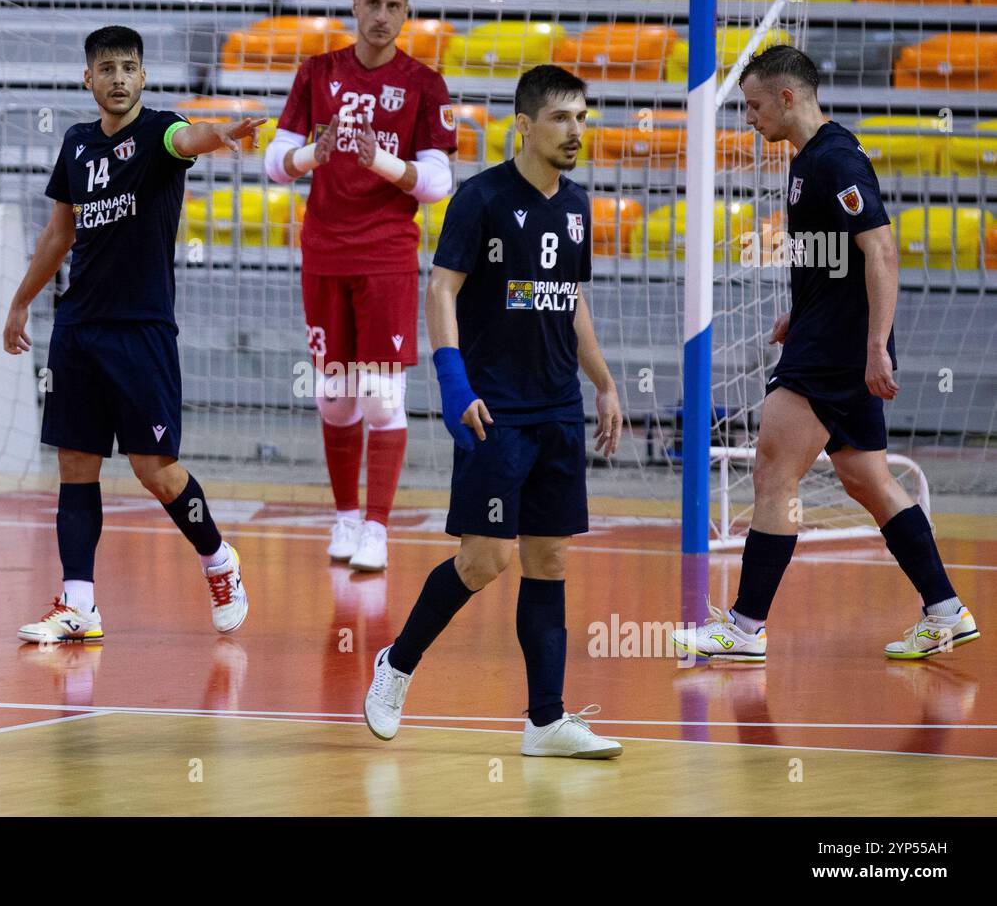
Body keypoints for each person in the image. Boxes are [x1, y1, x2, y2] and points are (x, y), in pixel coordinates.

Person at [672, 45, 980, 663]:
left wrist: (874, 347)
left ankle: (744, 626)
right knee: (867, 479)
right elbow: (836, 258)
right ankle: (946, 610)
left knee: (771, 470)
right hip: (828, 333)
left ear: (788, 98)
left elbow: (881, 252)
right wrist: (802, 308)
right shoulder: (809, 159)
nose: (749, 119)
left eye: (755, 106)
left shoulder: (836, 160)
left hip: (837, 349)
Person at [363, 66, 624, 759]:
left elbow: (570, 301)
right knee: (485, 560)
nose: (576, 132)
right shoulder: (479, 200)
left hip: (558, 408)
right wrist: (453, 383)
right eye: (563, 118)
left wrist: (602, 382)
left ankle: (546, 721)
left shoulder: (576, 206)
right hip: (494, 410)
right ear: (525, 126)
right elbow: (440, 292)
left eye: (582, 118)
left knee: (549, 558)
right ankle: (396, 665)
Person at [3, 26, 265, 642]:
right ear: (86, 79)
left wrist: (217, 132)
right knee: (75, 465)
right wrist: (21, 303)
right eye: (107, 68)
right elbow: (57, 235)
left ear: (143, 77)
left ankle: (219, 560)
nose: (118, 78)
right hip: (77, 327)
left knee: (157, 470)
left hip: (141, 329)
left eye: (129, 67)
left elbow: (187, 136)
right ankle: (79, 605)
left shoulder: (159, 132)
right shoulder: (75, 144)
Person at [264, 0, 456, 571]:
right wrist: (306, 160)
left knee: (379, 394)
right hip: (323, 250)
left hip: (385, 255)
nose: (381, 16)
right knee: (332, 397)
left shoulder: (424, 83)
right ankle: (345, 516)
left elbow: (440, 181)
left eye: (393, 7)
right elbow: (273, 160)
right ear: (354, 4)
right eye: (371, 3)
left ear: (406, 14)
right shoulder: (318, 72)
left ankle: (377, 527)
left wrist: (383, 164)